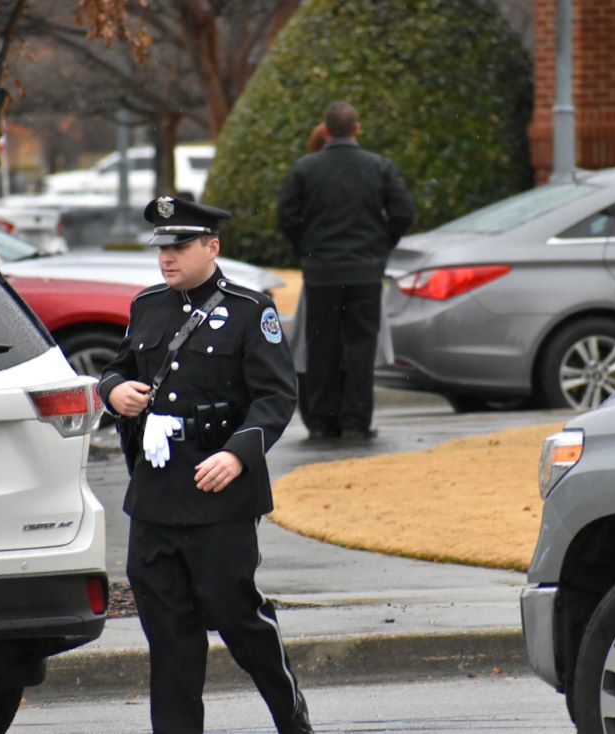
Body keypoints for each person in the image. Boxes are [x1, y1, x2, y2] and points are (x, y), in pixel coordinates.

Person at [97, 196, 313, 734]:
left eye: (180, 246)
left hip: (220, 495)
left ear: (211, 247)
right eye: (162, 247)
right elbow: (117, 368)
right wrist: (114, 390)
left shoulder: (249, 310)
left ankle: (293, 721)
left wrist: (238, 456)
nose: (167, 257)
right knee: (169, 635)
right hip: (155, 496)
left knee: (240, 620)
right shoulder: (148, 305)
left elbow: (275, 397)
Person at [277, 101, 416, 440]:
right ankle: (356, 420)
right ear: (357, 129)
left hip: (322, 271)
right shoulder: (379, 167)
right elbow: (403, 212)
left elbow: (286, 218)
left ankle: (323, 420)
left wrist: (307, 249)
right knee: (360, 348)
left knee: (322, 345)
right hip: (365, 271)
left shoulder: (305, 169)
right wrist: (380, 245)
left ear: (325, 131)